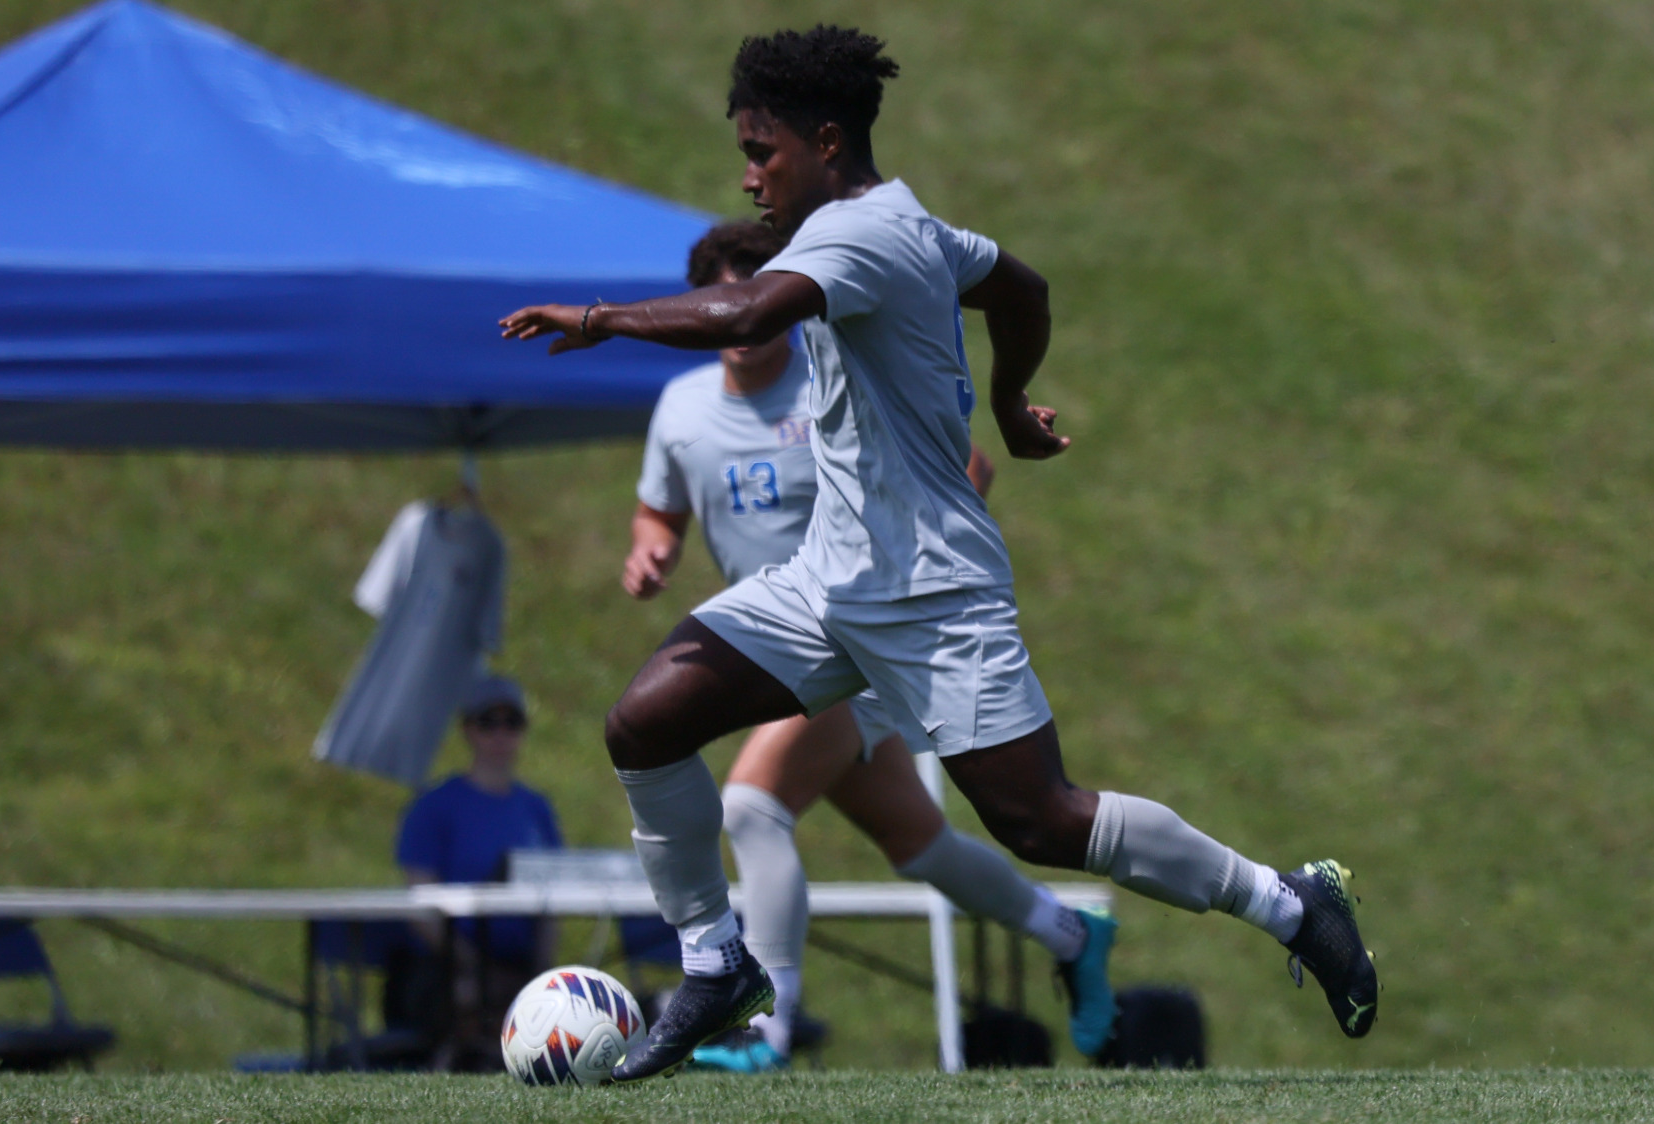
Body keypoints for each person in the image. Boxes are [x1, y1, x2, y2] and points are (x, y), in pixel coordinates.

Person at [501, 26, 1379, 1082]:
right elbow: (1024, 288)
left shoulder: (856, 236)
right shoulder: (907, 222)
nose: (747, 174)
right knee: (644, 722)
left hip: (932, 589)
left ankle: (1290, 903)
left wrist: (601, 317)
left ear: (826, 142)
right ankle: (716, 963)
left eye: (761, 150)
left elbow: (748, 305)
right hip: (828, 580)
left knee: (1037, 817)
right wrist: (1005, 398)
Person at [624, 220, 1115, 1072]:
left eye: (756, 301)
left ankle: (768, 1027)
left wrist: (923, 562)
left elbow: (965, 466)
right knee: (921, 846)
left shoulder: (830, 373)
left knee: (750, 806)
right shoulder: (681, 408)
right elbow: (658, 508)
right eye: (725, 303)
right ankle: (1070, 934)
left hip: (859, 634)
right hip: (772, 649)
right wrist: (651, 546)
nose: (744, 322)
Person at [395, 674, 561, 1069]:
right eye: (488, 722)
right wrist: (468, 964)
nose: (500, 735)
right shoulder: (434, 807)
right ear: (468, 730)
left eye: (511, 723)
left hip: (520, 961)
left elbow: (555, 892)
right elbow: (419, 899)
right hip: (450, 967)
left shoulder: (535, 809)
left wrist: (542, 971)